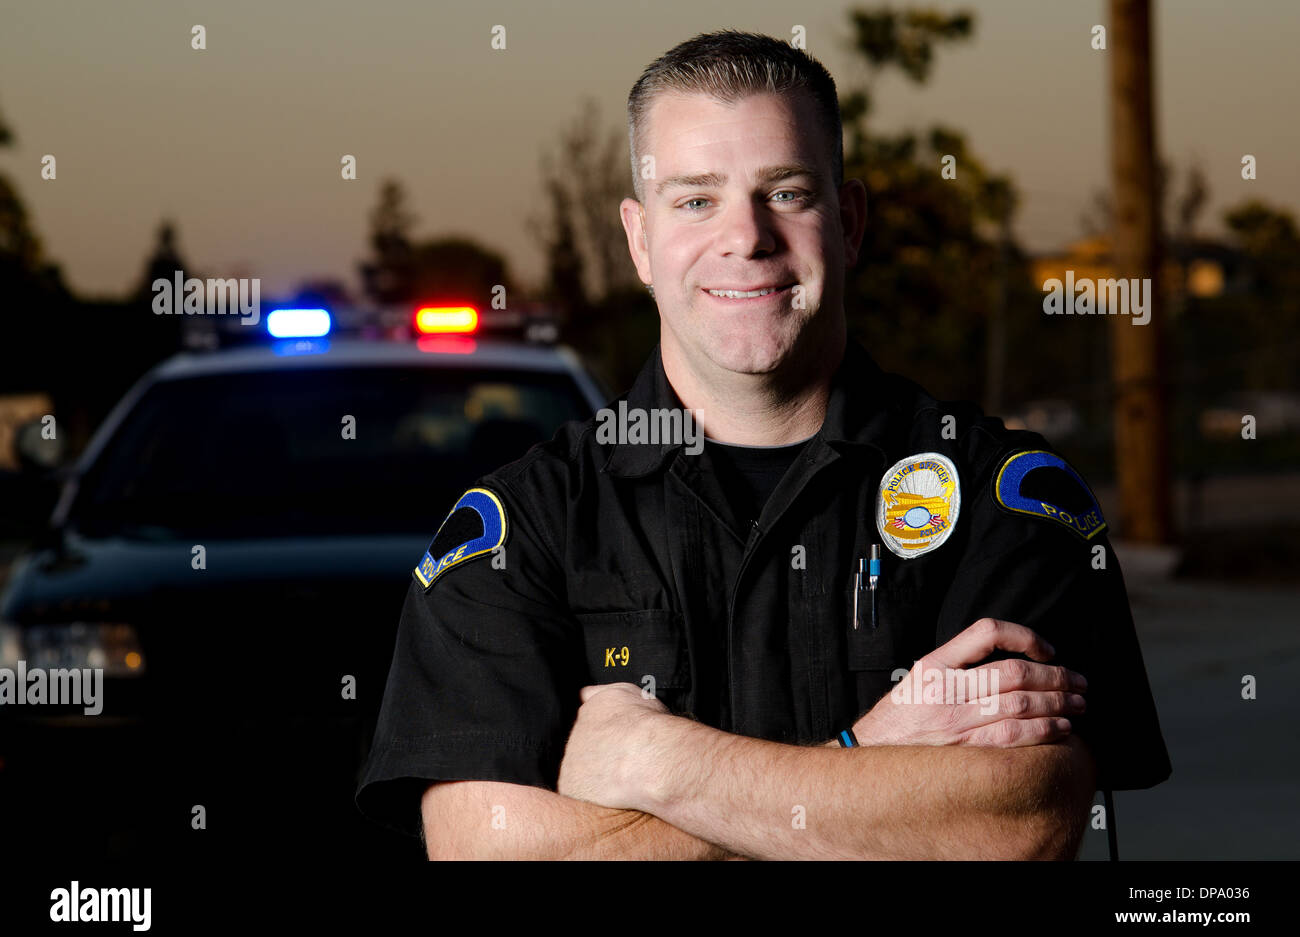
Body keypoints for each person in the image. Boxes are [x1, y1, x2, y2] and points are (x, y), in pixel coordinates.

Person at [356, 30, 1171, 860]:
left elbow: (1016, 822)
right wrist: (865, 761)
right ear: (640, 241)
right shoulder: (521, 530)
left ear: (848, 224)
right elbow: (487, 850)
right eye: (695, 200)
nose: (746, 237)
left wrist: (657, 760)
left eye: (784, 192)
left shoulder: (1001, 496)